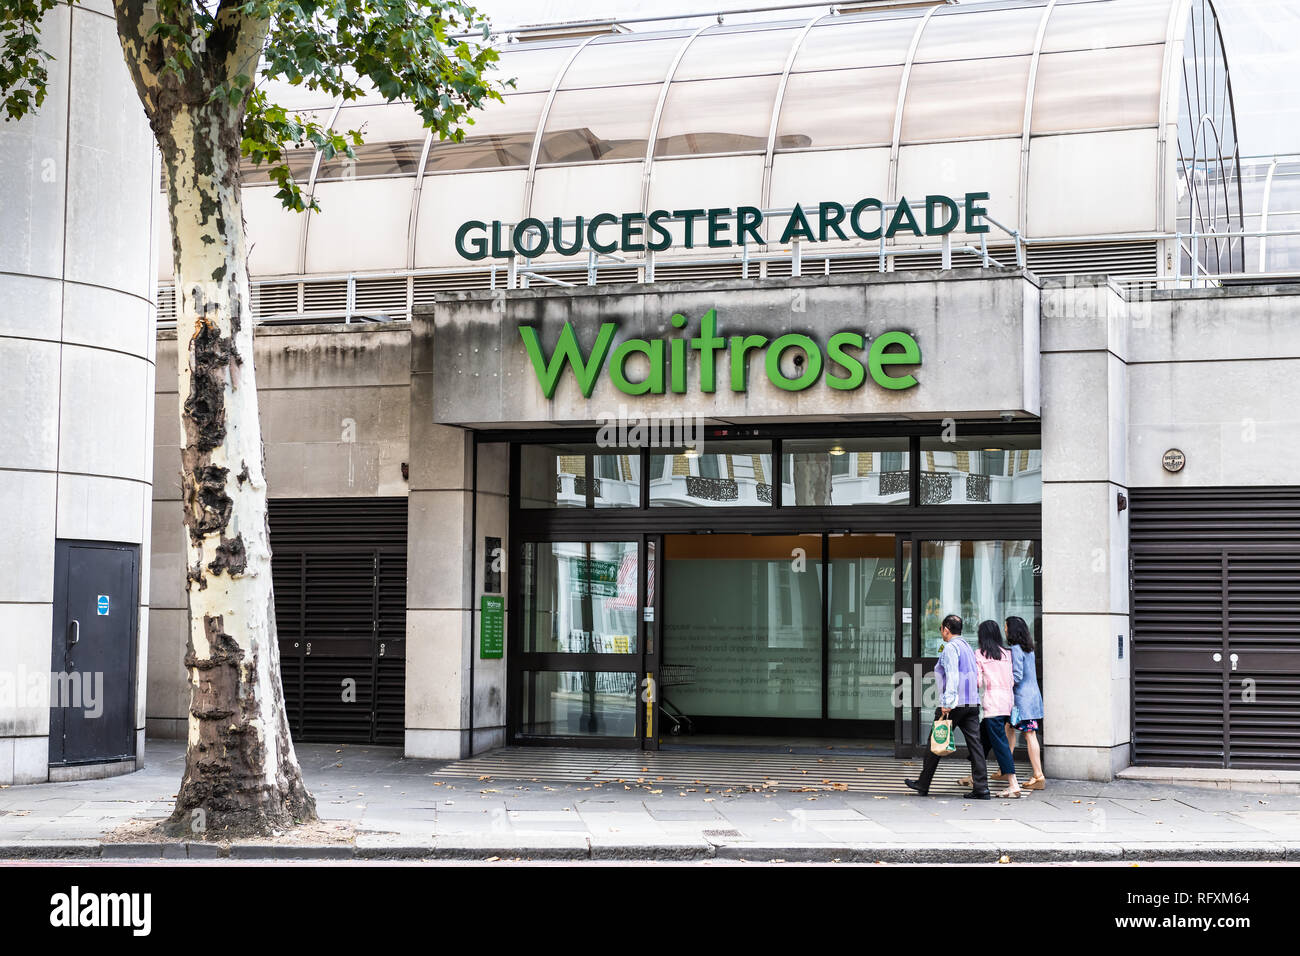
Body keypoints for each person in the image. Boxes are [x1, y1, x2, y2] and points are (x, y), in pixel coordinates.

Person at [905, 614, 990, 799]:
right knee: (976, 745)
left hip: (955, 704)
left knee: (935, 741)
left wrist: (946, 703)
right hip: (971, 702)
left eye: (941, 629)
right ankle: (982, 788)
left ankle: (923, 784)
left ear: (946, 629)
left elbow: (952, 676)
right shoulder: (967, 646)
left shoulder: (951, 648)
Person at [971, 620, 1021, 797]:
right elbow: (1012, 679)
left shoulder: (979, 654)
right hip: (1007, 702)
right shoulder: (1006, 654)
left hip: (992, 703)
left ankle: (1013, 783)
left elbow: (977, 682)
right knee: (982, 739)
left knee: (1000, 745)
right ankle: (974, 776)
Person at [1005, 615, 1046, 790]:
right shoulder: (1029, 648)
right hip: (1031, 697)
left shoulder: (1015, 649)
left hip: (1022, 699)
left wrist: (1004, 683)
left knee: (1029, 734)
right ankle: (1004, 767)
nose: (1004, 629)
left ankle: (1038, 775)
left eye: (1006, 626)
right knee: (1009, 728)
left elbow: (1017, 676)